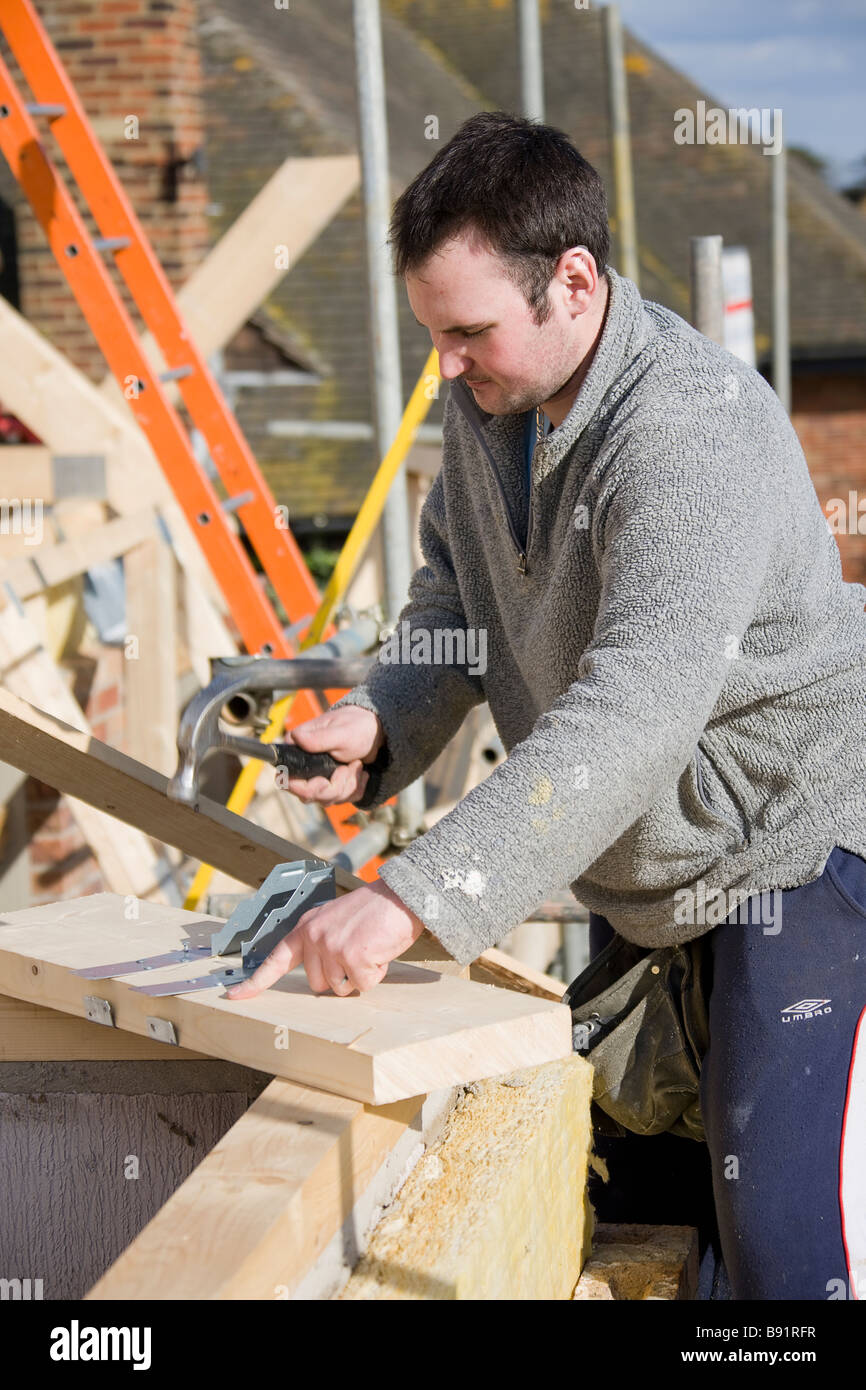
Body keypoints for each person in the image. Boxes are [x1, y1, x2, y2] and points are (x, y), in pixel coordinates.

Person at [225, 112, 866, 1301]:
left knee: (778, 1246)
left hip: (791, 844)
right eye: (432, 335)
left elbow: (634, 709)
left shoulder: (686, 434)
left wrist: (413, 895)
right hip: (647, 848)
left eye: (466, 332)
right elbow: (455, 593)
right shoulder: (493, 404)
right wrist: (381, 724)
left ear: (573, 280)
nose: (445, 367)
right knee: (632, 1202)